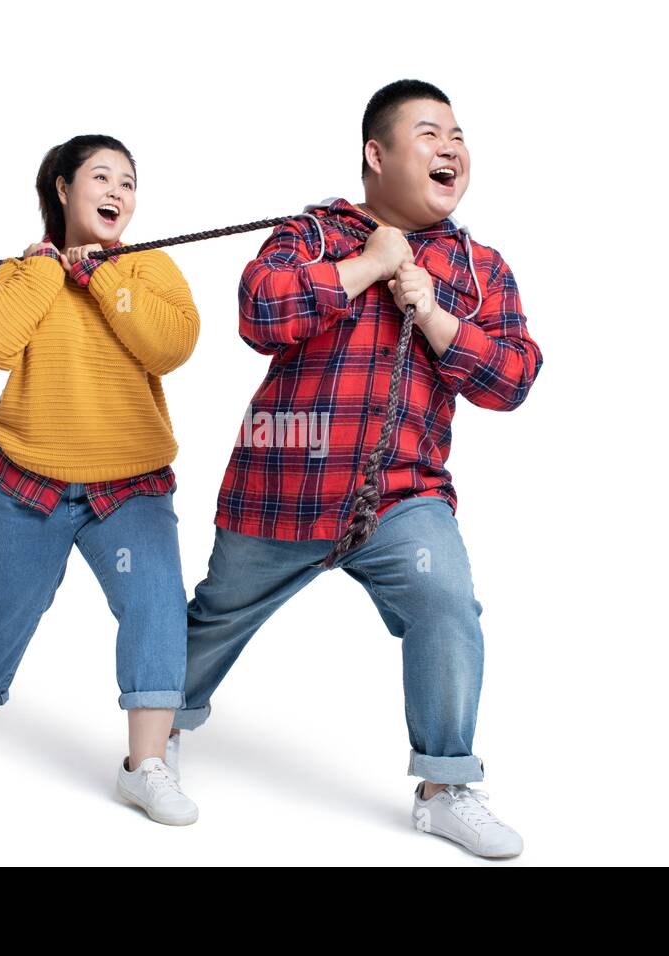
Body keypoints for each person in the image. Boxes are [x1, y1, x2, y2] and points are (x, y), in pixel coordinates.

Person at [169, 80, 544, 856]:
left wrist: (435, 312)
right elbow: (258, 313)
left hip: (401, 499)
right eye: (430, 133)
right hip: (282, 491)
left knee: (447, 604)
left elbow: (512, 379)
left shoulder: (479, 271)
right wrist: (366, 265)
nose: (452, 148)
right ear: (376, 155)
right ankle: (156, 733)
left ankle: (444, 787)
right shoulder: (311, 234)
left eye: (459, 136)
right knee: (211, 619)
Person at [0, 134, 203, 827]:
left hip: (128, 487)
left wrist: (102, 277)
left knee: (157, 607)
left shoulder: (147, 270)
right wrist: (48, 273)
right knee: (2, 604)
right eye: (101, 177)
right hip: (23, 479)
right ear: (63, 188)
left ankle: (145, 764)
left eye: (130, 182)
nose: (118, 192)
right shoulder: (26, 273)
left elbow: (170, 346)